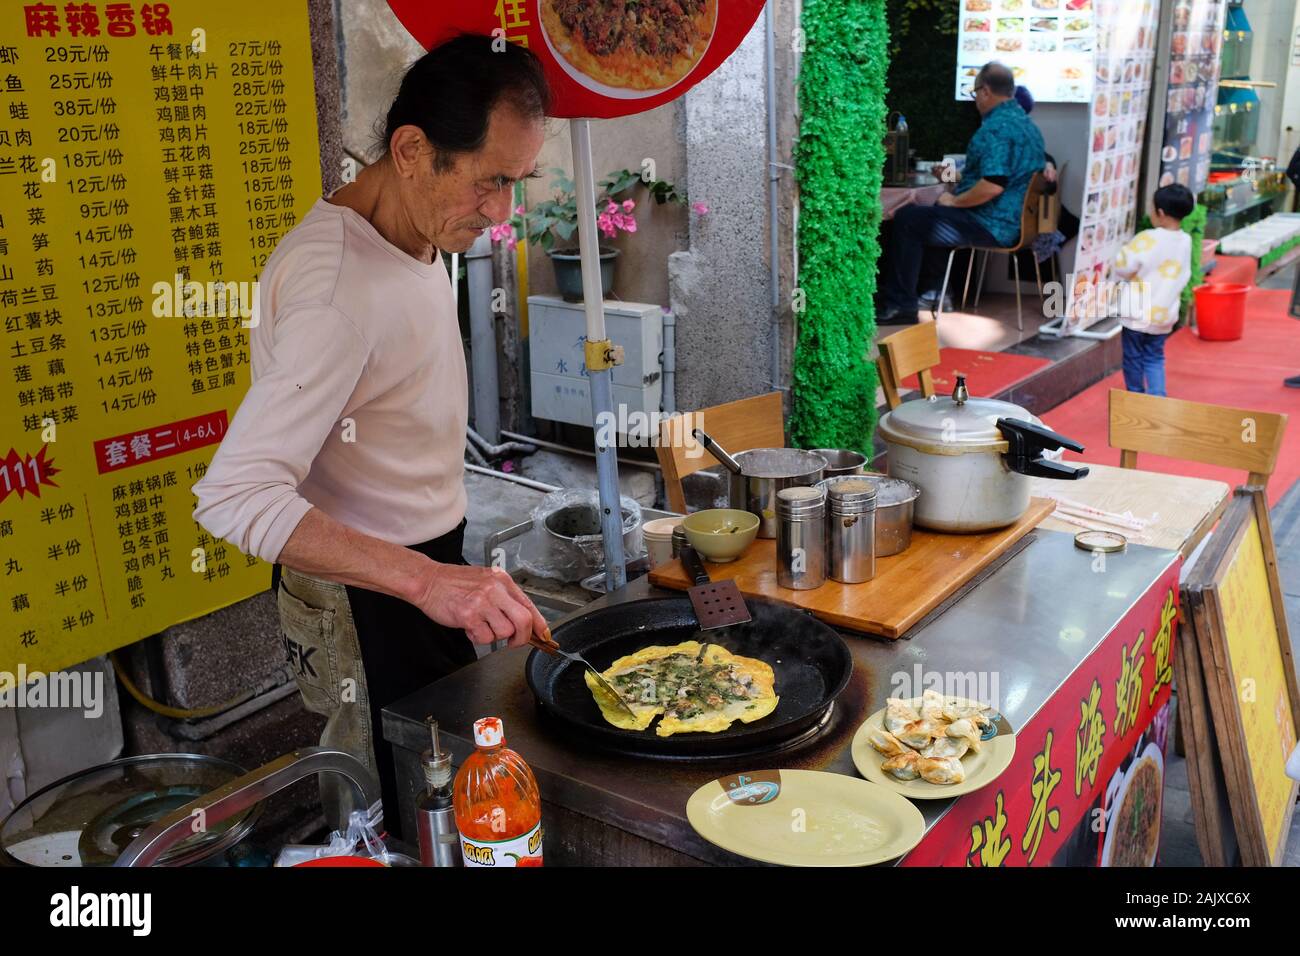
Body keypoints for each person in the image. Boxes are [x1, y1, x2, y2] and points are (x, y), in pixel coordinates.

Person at [192, 36, 551, 837]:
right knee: (386, 801)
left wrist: (443, 570)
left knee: (443, 774)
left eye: (517, 184)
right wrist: (425, 582)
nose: (502, 215)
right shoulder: (334, 292)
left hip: (421, 558)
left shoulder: (419, 224)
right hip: (359, 596)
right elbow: (233, 496)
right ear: (413, 149)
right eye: (491, 181)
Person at [880, 62, 1045, 324]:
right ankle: (935, 294)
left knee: (909, 219)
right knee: (934, 212)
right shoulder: (1028, 126)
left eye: (975, 92)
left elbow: (993, 185)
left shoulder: (995, 128)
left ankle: (901, 304)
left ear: (986, 91)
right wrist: (953, 187)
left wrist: (955, 200)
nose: (975, 98)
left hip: (992, 224)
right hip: (1017, 223)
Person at [1111, 184, 1196, 397]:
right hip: (1164, 313)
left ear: (1160, 213)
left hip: (1137, 312)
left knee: (1132, 356)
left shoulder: (1147, 238)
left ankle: (1135, 396)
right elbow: (1184, 274)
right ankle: (1158, 397)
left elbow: (1123, 267)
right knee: (1154, 357)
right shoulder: (1185, 241)